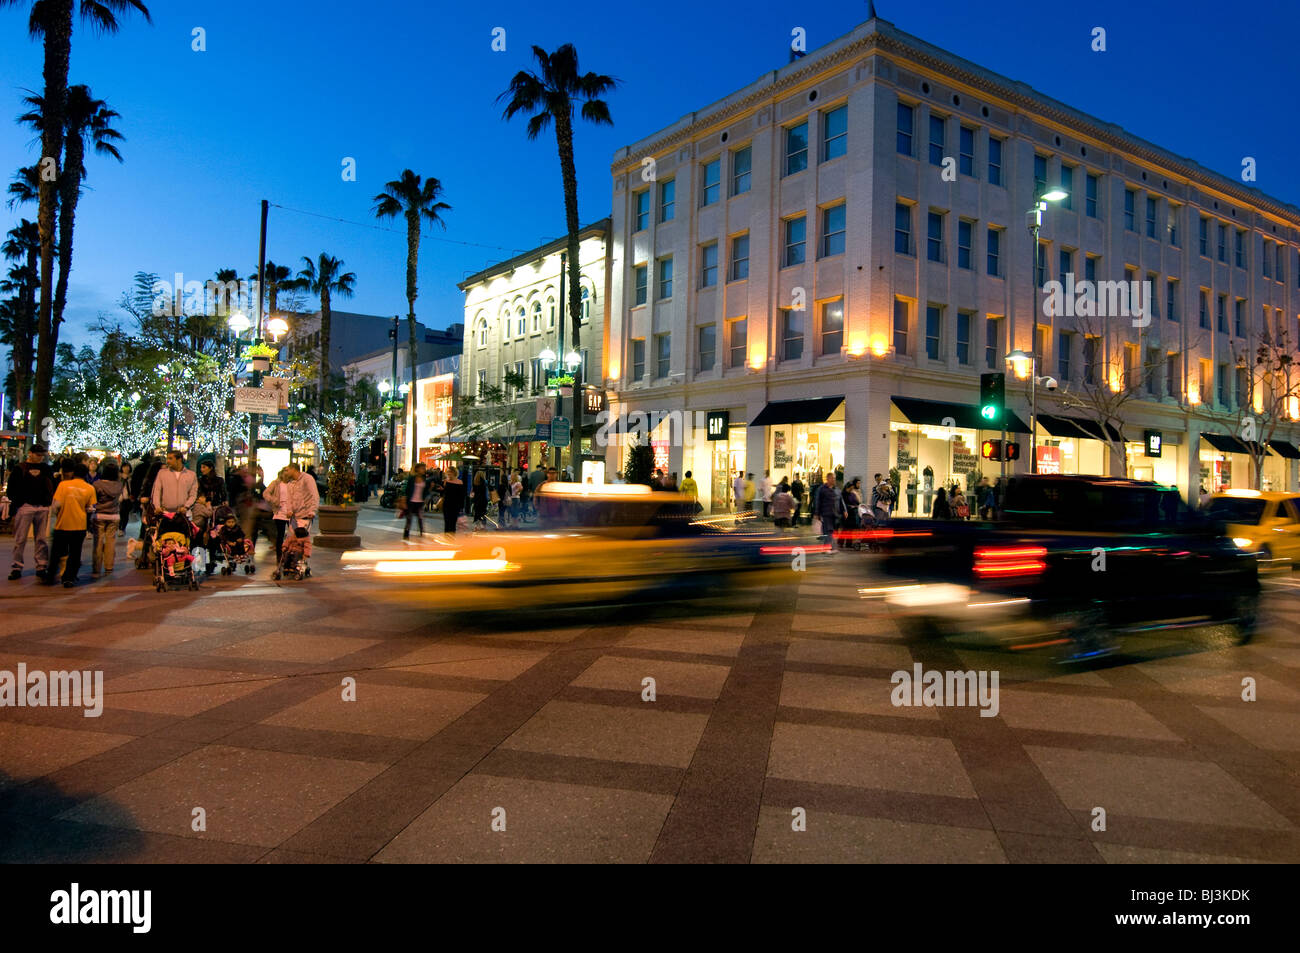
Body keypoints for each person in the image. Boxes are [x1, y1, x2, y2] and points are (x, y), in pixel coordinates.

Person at [8, 443, 54, 580]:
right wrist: (20, 502)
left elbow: (52, 485)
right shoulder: (20, 468)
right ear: (30, 453)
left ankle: (41, 566)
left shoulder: (45, 468)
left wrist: (47, 501)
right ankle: (17, 566)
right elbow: (12, 488)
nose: (40, 457)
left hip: (41, 506)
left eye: (41, 455)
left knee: (41, 539)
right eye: (38, 455)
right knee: (20, 538)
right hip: (26, 506)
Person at [46, 461, 95, 587]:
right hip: (79, 525)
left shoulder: (63, 485)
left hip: (62, 524)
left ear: (73, 473)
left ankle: (50, 576)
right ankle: (69, 578)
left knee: (56, 552)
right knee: (75, 553)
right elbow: (90, 508)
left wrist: (58, 514)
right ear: (85, 474)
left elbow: (56, 505)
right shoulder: (90, 488)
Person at [91, 461, 125, 576]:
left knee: (98, 542)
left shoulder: (97, 484)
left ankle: (96, 568)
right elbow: (122, 498)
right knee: (111, 542)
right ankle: (109, 567)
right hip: (114, 515)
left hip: (99, 515)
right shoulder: (119, 485)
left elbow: (93, 500)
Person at [151, 450, 197, 517]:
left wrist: (186, 506)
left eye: (170, 458)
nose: (168, 461)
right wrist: (157, 507)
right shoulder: (162, 473)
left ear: (179, 460)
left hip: (184, 514)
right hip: (165, 513)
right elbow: (157, 492)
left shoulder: (191, 475)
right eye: (167, 458)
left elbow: (193, 494)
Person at [264, 468, 293, 558]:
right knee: (280, 534)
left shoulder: (293, 484)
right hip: (279, 511)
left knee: (292, 533)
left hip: (291, 512)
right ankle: (279, 555)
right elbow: (266, 493)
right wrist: (274, 501)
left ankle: (290, 553)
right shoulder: (276, 483)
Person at [403, 463, 428, 539]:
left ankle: (421, 533)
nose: (424, 470)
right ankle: (406, 534)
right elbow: (407, 490)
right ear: (417, 469)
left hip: (420, 502)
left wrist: (425, 498)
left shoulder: (424, 479)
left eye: (424, 468)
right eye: (422, 468)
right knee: (409, 519)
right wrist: (405, 499)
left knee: (420, 518)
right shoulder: (412, 478)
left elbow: (425, 491)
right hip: (411, 501)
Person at [441, 464, 466, 535]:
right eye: (448, 472)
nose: (449, 473)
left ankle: (452, 537)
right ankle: (446, 537)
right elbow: (443, 493)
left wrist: (461, 507)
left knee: (453, 523)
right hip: (446, 505)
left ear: (454, 473)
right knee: (447, 522)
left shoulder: (460, 482)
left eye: (450, 472)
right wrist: (441, 489)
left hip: (455, 506)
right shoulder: (445, 481)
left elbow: (461, 496)